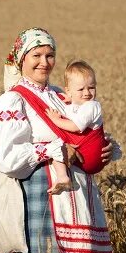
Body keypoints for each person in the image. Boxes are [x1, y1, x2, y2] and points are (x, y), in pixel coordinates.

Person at [0, 28, 119, 253]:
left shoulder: (63, 95)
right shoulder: (12, 100)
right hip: (41, 197)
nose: (44, 62)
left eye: (50, 55)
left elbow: (84, 133)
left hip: (80, 201)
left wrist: (104, 149)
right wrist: (55, 149)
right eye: (36, 54)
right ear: (21, 59)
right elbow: (6, 157)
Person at [43, 60, 110, 190]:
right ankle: (63, 177)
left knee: (57, 147)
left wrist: (55, 120)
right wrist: (71, 99)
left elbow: (75, 126)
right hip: (81, 159)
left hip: (90, 158)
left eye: (91, 87)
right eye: (81, 89)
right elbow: (70, 110)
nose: (87, 93)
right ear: (69, 91)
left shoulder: (92, 106)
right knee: (57, 148)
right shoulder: (77, 105)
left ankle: (62, 177)